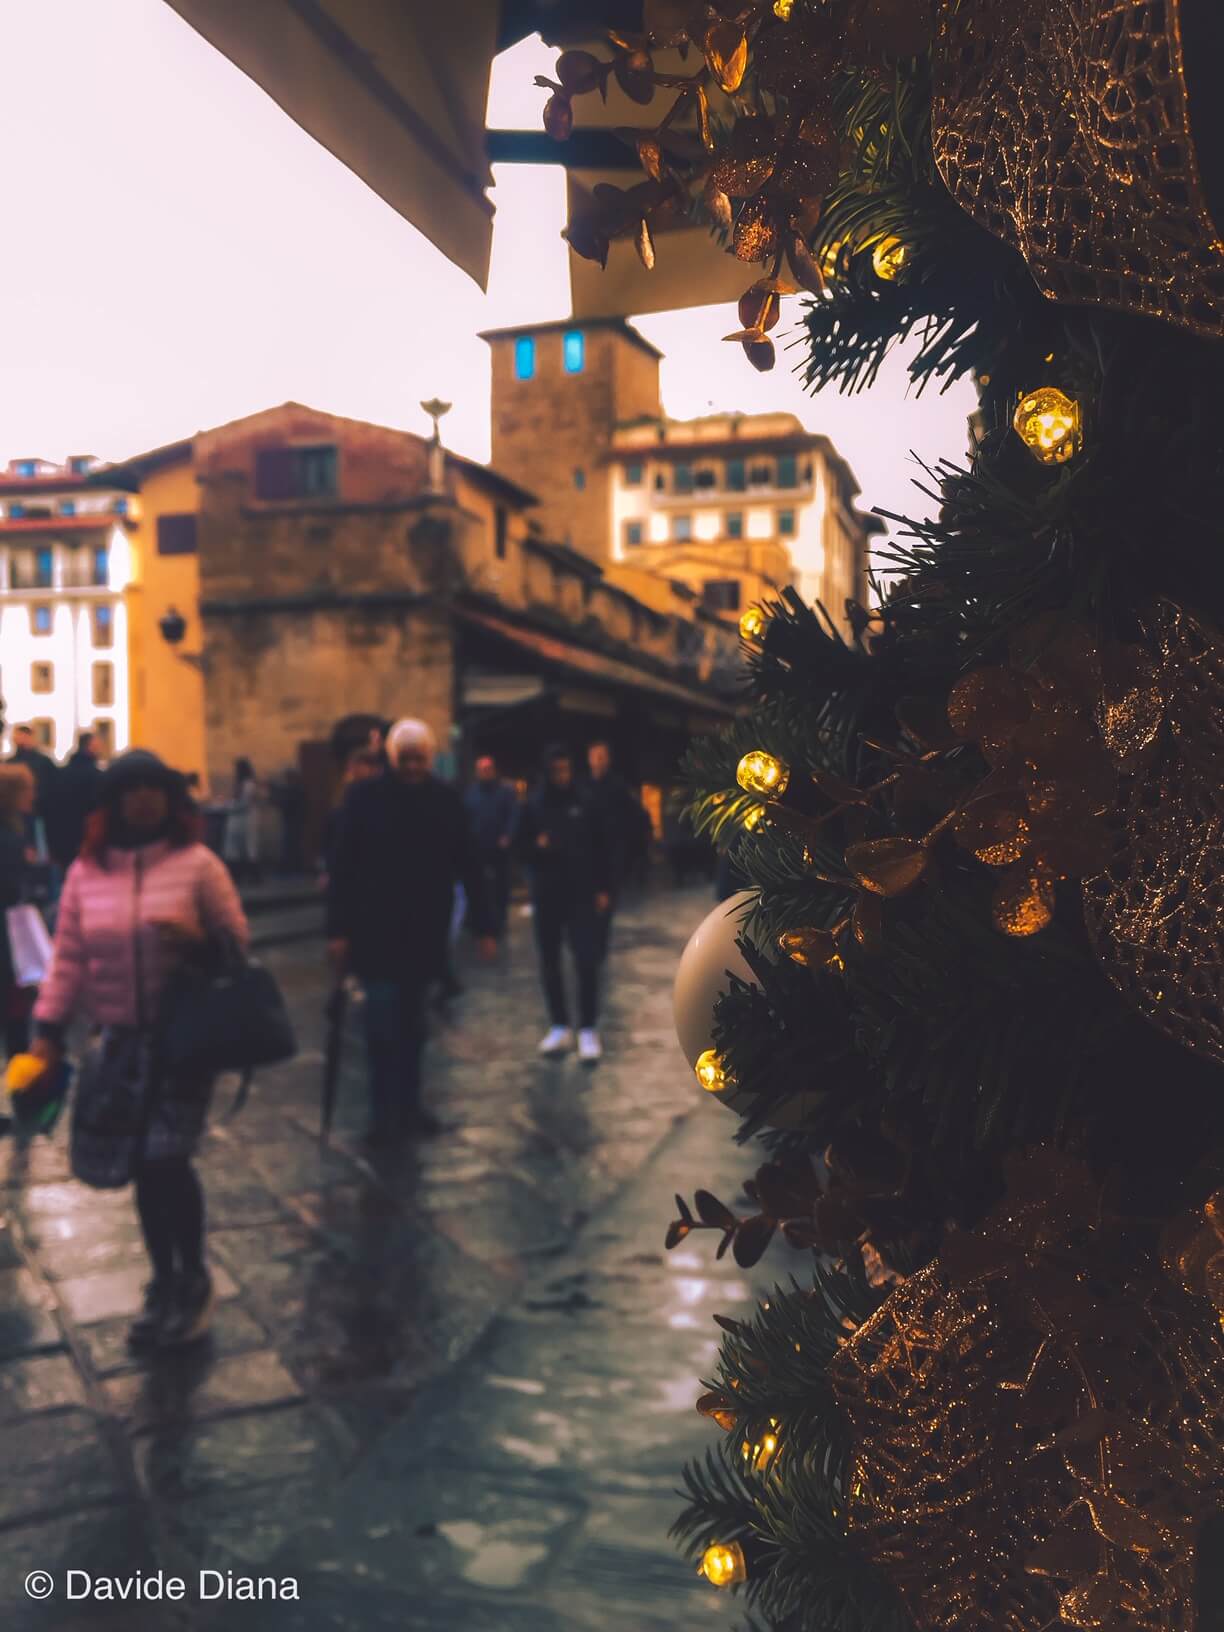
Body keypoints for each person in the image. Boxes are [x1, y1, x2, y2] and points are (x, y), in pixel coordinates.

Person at [28, 750, 248, 1347]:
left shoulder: (199, 865)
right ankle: (165, 1278)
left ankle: (191, 1280)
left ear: (170, 801)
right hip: (118, 1045)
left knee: (164, 1160)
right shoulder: (85, 873)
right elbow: (68, 958)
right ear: (115, 802)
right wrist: (47, 1032)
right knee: (140, 1169)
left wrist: (199, 942)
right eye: (133, 789)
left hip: (182, 1044)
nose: (144, 799)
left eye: (155, 789)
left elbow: (237, 950)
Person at [326, 718, 496, 1143]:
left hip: (424, 932)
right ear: (393, 758)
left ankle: (410, 1105)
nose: (413, 766)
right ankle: (384, 1115)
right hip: (375, 932)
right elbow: (343, 866)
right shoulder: (363, 798)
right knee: (381, 1027)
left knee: (414, 1027)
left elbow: (469, 863)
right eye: (406, 758)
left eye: (420, 758)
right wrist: (338, 930)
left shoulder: (444, 801)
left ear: (430, 757)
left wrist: (484, 924)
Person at [517, 744, 611, 1065]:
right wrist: (536, 846)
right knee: (549, 961)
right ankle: (559, 1025)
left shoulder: (585, 802)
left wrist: (604, 888)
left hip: (581, 894)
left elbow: (603, 846)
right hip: (547, 895)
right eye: (556, 771)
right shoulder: (533, 806)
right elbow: (518, 847)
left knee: (586, 960)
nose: (561, 776)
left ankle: (587, 1027)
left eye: (565, 770)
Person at [584, 740, 644, 964]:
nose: (598, 761)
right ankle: (590, 944)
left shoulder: (618, 787)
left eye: (602, 756)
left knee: (606, 901)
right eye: (595, 756)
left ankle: (599, 947)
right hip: (588, 853)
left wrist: (625, 844)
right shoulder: (584, 786)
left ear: (608, 759)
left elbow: (636, 817)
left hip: (611, 853)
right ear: (589, 759)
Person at [0, 763, 38, 1061]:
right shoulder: (10, 837)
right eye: (27, 790)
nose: (33, 796)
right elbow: (12, 889)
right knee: (15, 1013)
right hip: (9, 935)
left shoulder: (15, 831)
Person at [463, 755, 517, 939]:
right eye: (481, 770)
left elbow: (513, 815)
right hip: (479, 847)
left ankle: (499, 921)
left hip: (499, 847)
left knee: (500, 886)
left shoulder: (505, 791)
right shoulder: (472, 793)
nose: (485, 773)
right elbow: (467, 818)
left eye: (488, 769)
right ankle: (478, 922)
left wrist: (507, 836)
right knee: (478, 884)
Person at [48, 729, 103, 867]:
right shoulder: (97, 776)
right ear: (90, 746)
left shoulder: (61, 774)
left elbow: (52, 808)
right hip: (88, 840)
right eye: (97, 744)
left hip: (63, 838)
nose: (101, 747)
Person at [223, 757, 261, 883]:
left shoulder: (248, 784)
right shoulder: (242, 783)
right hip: (239, 818)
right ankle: (239, 875)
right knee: (235, 848)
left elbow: (243, 802)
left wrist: (229, 805)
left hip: (245, 818)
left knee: (249, 847)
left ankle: (253, 876)